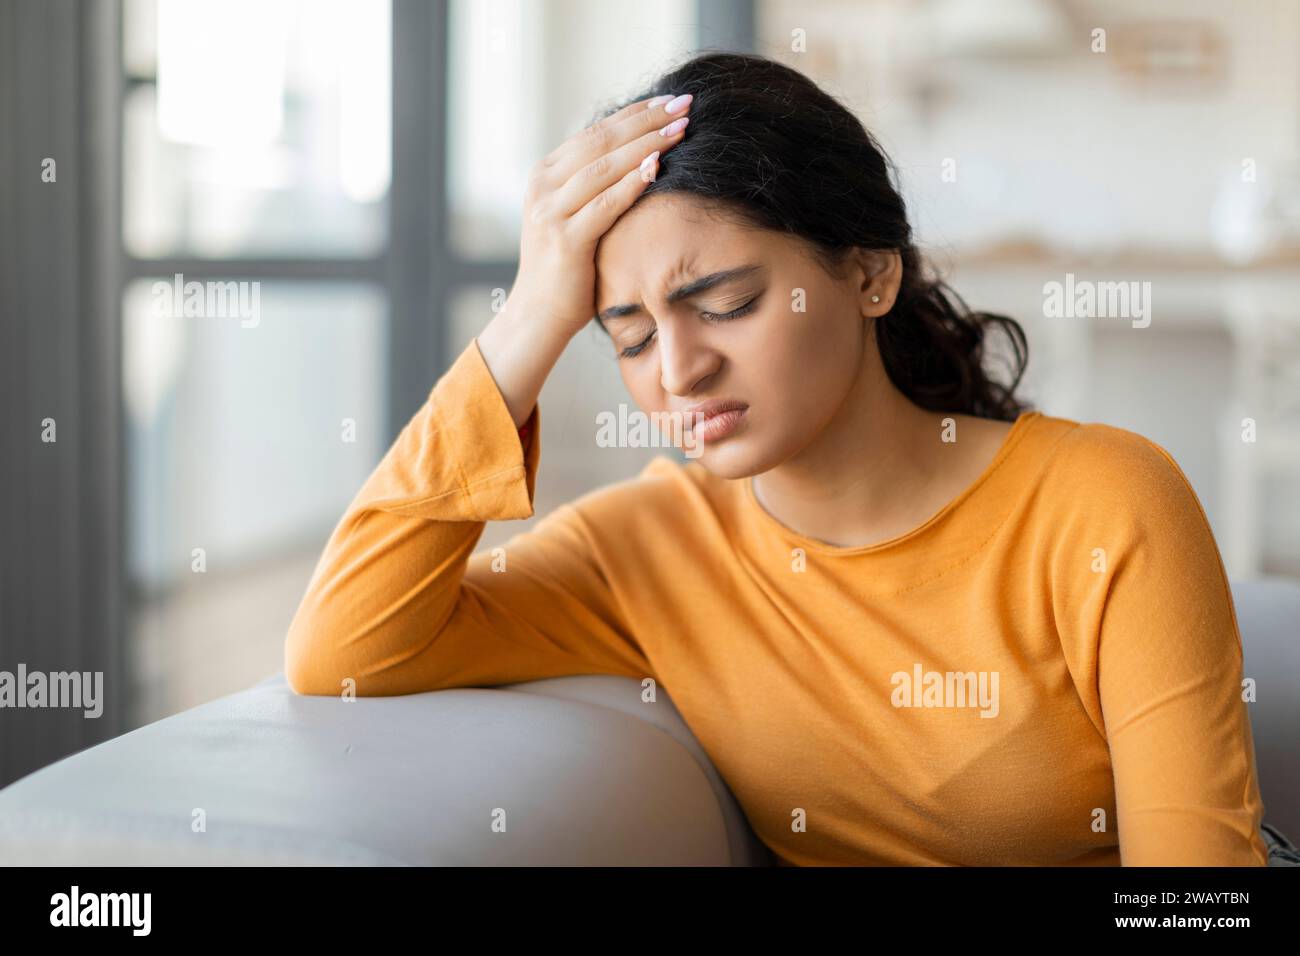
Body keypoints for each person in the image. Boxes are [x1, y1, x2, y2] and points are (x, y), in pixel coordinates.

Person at [285, 52, 1270, 866]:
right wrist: (531, 315)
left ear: (870, 272)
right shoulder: (648, 546)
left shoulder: (1101, 501)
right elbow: (351, 648)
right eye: (626, 335)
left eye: (724, 302)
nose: (678, 369)